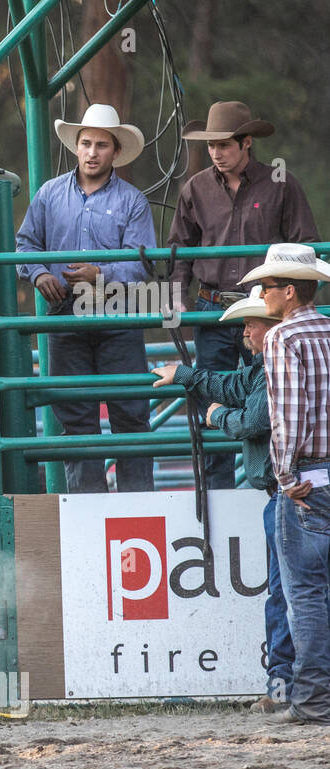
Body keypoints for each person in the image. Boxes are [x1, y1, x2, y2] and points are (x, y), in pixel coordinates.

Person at [151, 286, 290, 713]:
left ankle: (285, 684)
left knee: (288, 595)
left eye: (251, 322)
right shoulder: (263, 368)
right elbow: (230, 385)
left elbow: (252, 421)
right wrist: (189, 376)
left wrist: (215, 416)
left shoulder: (275, 369)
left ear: (269, 328)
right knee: (293, 593)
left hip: (290, 495)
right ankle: (290, 683)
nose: (244, 330)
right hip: (287, 492)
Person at [167, 101, 319, 489]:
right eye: (211, 146)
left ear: (247, 143)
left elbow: (307, 244)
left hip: (266, 309)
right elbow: (179, 248)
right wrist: (175, 295)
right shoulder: (195, 188)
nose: (216, 153)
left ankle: (275, 480)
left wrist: (289, 298)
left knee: (273, 397)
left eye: (224, 145)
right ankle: (218, 490)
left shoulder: (281, 184)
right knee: (214, 391)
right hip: (213, 305)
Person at [14, 104, 157, 493]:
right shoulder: (48, 195)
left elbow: (143, 263)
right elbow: (25, 244)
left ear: (115, 152)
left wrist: (101, 274)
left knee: (130, 412)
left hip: (118, 312)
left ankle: (137, 505)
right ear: (76, 148)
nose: (92, 152)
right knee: (76, 417)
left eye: (101, 145)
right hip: (65, 313)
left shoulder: (133, 201)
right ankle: (89, 508)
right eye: (86, 143)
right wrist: (40, 272)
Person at [238, 244, 330, 725]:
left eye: (268, 287)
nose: (261, 294)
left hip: (310, 480)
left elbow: (288, 416)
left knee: (306, 593)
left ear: (288, 291)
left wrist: (285, 475)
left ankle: (314, 699)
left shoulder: (283, 338)